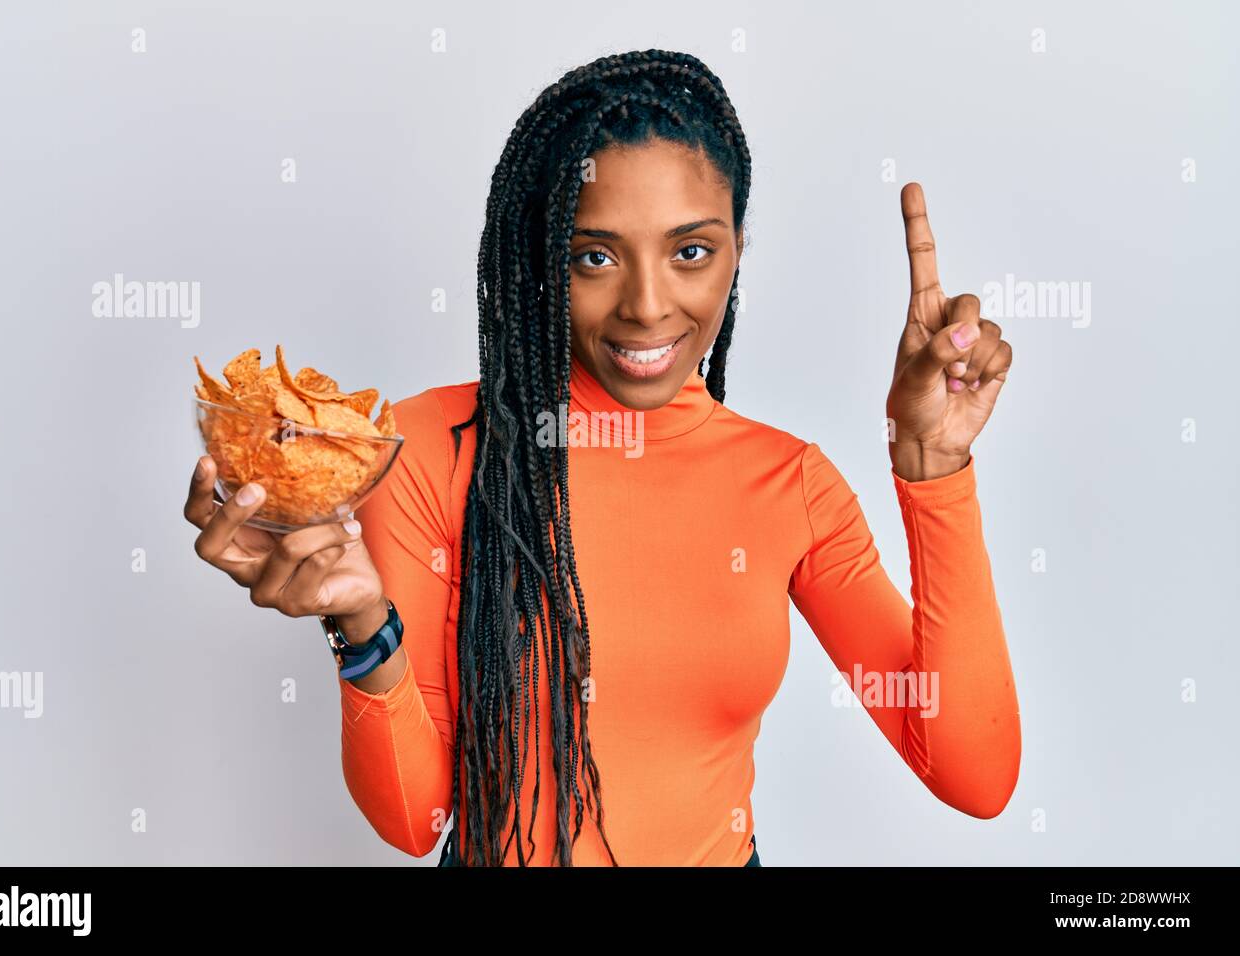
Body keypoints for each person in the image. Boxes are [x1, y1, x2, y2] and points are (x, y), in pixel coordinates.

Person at [184, 49, 1021, 867]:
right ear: (540, 258)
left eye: (691, 251)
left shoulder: (789, 484)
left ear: (737, 248)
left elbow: (974, 777)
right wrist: (362, 627)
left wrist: (932, 466)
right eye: (595, 256)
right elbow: (415, 819)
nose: (649, 306)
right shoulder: (432, 450)